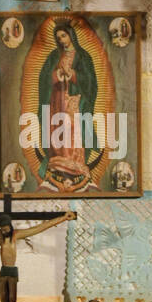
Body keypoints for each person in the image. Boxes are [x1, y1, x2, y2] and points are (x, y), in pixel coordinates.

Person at [36, 20, 98, 188]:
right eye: (58, 37)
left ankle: (75, 164)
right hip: (56, 99)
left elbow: (91, 82)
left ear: (71, 35)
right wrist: (55, 75)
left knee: (73, 130)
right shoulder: (54, 56)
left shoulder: (83, 56)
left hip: (74, 100)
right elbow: (43, 79)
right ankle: (57, 163)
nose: (62, 40)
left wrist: (73, 75)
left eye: (64, 35)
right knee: (58, 130)